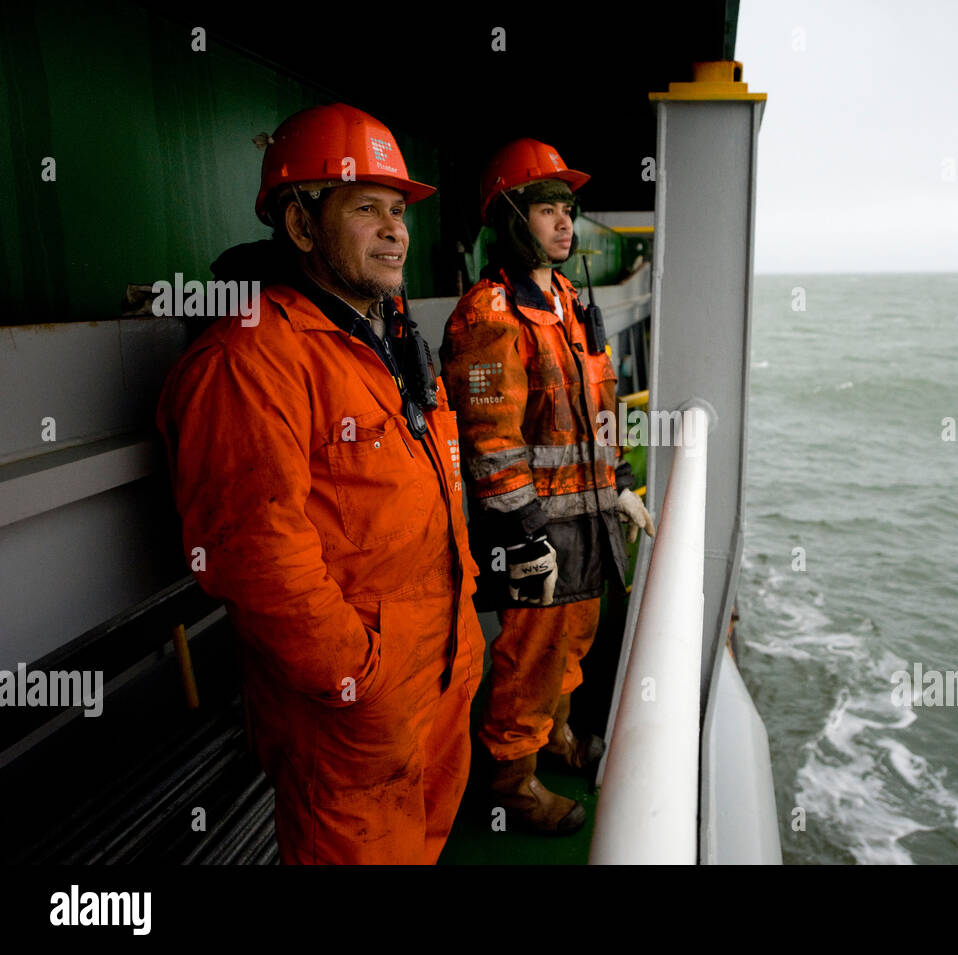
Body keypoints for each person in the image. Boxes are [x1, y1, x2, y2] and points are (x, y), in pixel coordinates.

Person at [155, 103, 483, 864]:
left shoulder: (392, 341)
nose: (395, 229)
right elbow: (256, 557)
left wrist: (449, 656)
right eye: (365, 208)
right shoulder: (251, 360)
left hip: (440, 683)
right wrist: (361, 682)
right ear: (301, 226)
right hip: (355, 722)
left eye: (398, 210)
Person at [439, 138, 655, 835]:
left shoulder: (563, 300)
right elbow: (489, 439)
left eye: (568, 209)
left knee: (572, 649)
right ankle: (512, 784)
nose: (565, 222)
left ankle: (554, 736)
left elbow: (597, 408)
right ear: (509, 217)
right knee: (530, 660)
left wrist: (619, 482)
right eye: (546, 208)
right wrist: (523, 533)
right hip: (539, 537)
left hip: (587, 524)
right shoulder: (489, 315)